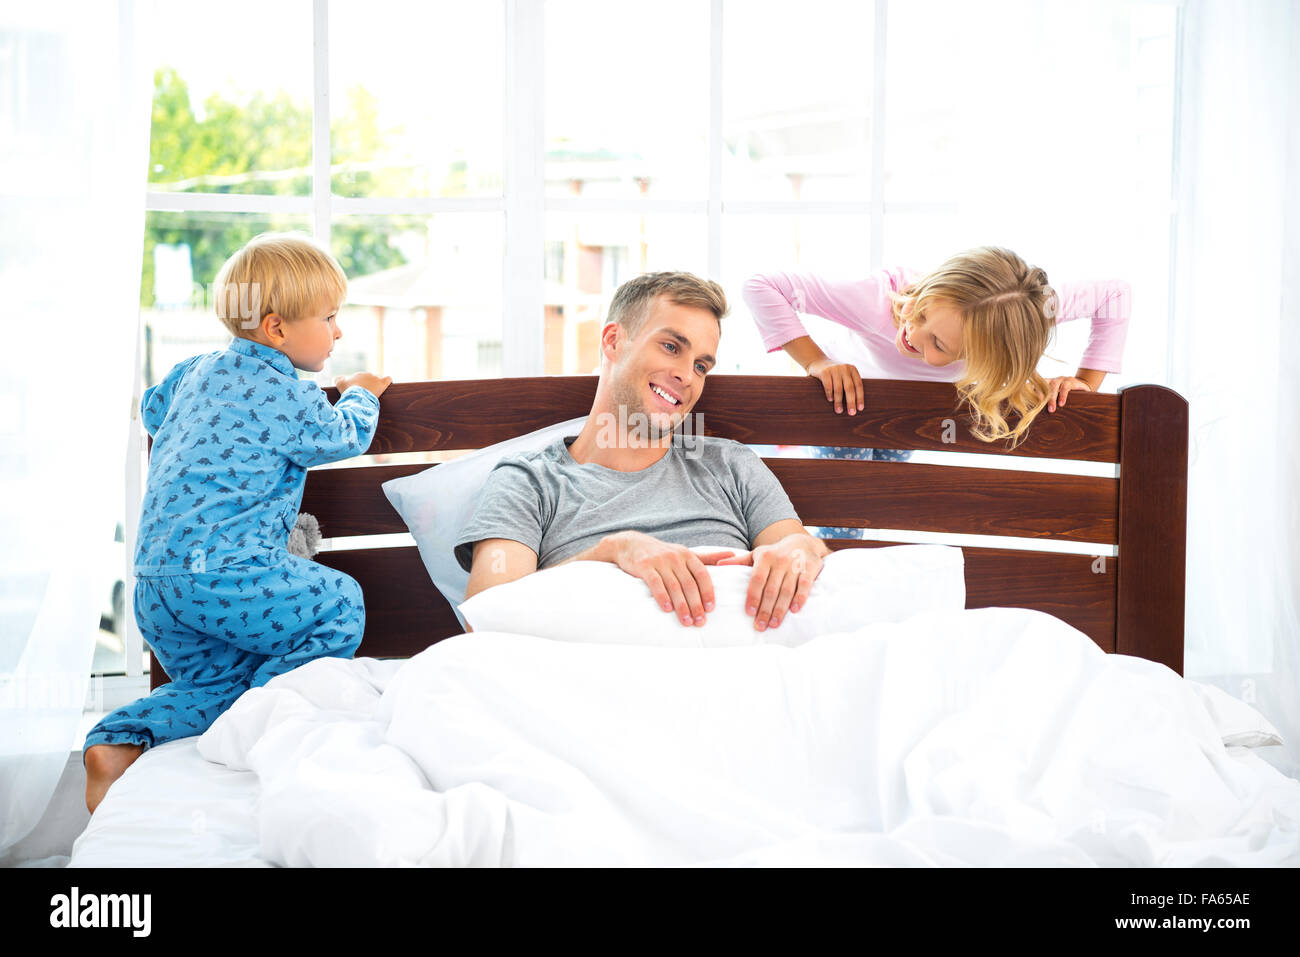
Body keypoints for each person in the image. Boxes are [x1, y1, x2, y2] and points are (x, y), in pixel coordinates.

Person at [83, 233, 393, 813]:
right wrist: (360, 395)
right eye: (329, 317)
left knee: (212, 688)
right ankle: (266, 722)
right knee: (341, 603)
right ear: (277, 329)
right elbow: (343, 436)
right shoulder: (289, 394)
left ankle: (117, 740)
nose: (339, 331)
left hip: (156, 585)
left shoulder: (193, 371)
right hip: (225, 579)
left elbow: (153, 407)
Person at [455, 271, 831, 634]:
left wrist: (801, 548)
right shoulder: (529, 482)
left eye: (701, 365)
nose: (687, 375)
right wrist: (611, 553)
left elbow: (798, 550)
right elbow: (485, 617)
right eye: (671, 347)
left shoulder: (731, 466)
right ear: (613, 341)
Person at [743, 246, 1131, 536]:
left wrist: (1086, 383)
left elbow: (1114, 295)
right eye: (923, 312)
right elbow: (762, 285)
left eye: (940, 346)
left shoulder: (1022, 313)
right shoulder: (877, 301)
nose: (912, 333)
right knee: (846, 513)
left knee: (882, 497)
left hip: (904, 413)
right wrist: (816, 361)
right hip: (843, 401)